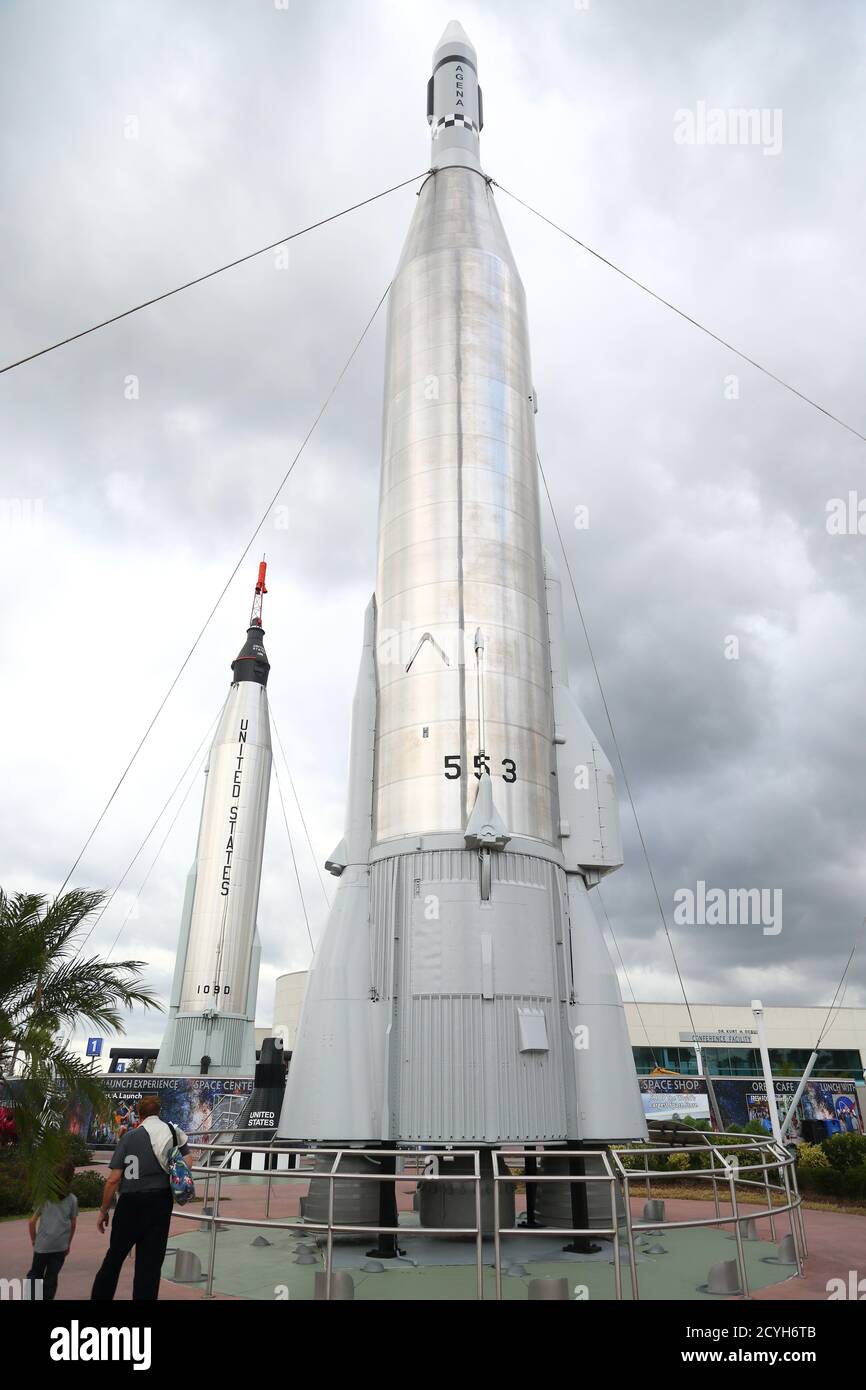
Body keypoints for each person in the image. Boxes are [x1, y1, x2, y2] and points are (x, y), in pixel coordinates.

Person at [91, 1094, 189, 1301]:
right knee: (150, 1265)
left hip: (130, 1203)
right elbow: (188, 1160)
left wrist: (103, 1210)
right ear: (159, 1111)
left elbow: (113, 1179)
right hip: (160, 1203)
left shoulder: (129, 1138)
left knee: (114, 1258)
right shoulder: (172, 1133)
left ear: (139, 1114)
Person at [27, 1158, 78, 1300]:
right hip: (60, 1246)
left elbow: (31, 1222)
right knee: (51, 1278)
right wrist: (68, 1244)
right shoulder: (72, 1199)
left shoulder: (44, 1197)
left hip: (42, 1245)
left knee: (35, 1273)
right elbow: (73, 1225)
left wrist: (34, 1240)